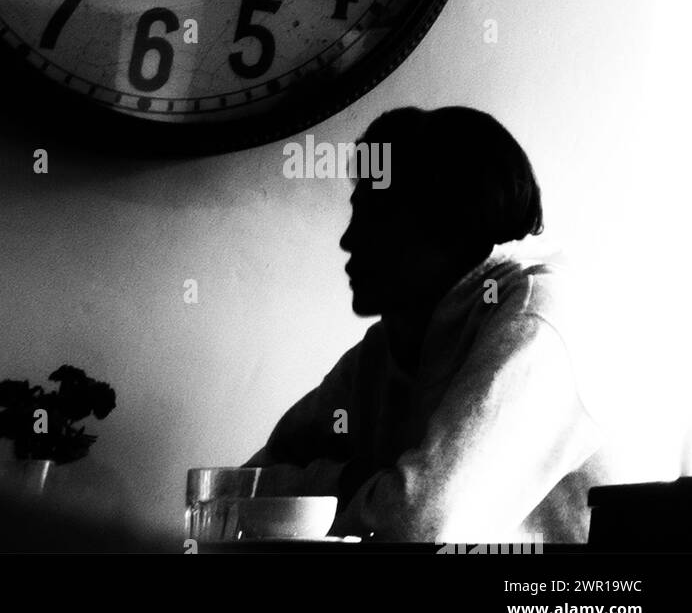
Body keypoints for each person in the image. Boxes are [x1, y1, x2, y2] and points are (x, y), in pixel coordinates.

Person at [244, 106, 610, 544]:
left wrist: (331, 489)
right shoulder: (387, 348)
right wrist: (352, 481)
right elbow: (241, 492)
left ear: (447, 221)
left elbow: (421, 527)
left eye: (372, 214)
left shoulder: (537, 319)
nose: (348, 239)